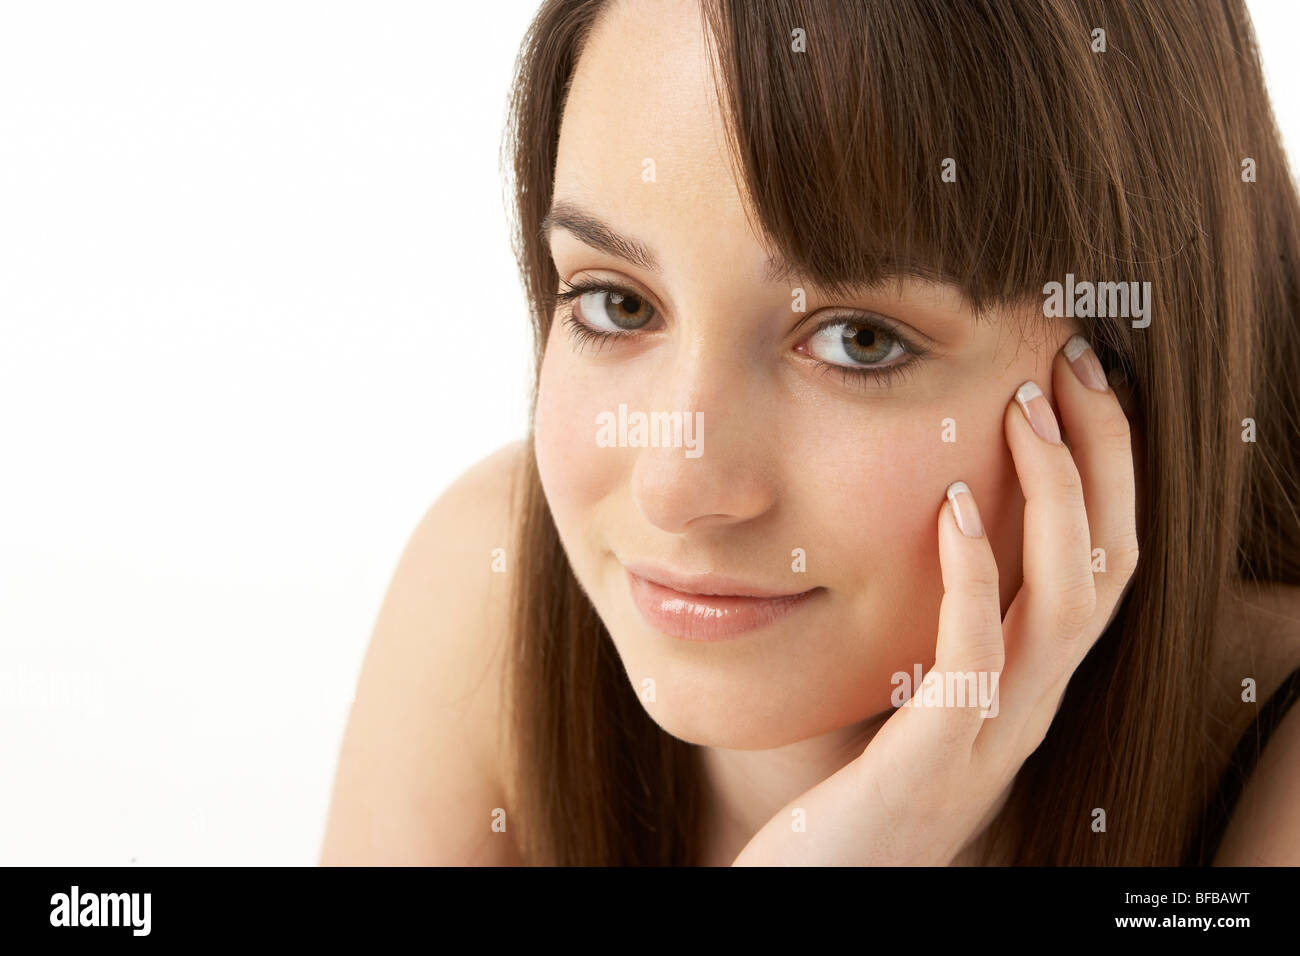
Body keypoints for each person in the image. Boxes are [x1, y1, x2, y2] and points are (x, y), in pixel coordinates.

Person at [320, 0, 1300, 865]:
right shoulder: (488, 577)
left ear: (1118, 372)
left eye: (856, 339)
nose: (674, 483)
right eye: (616, 304)